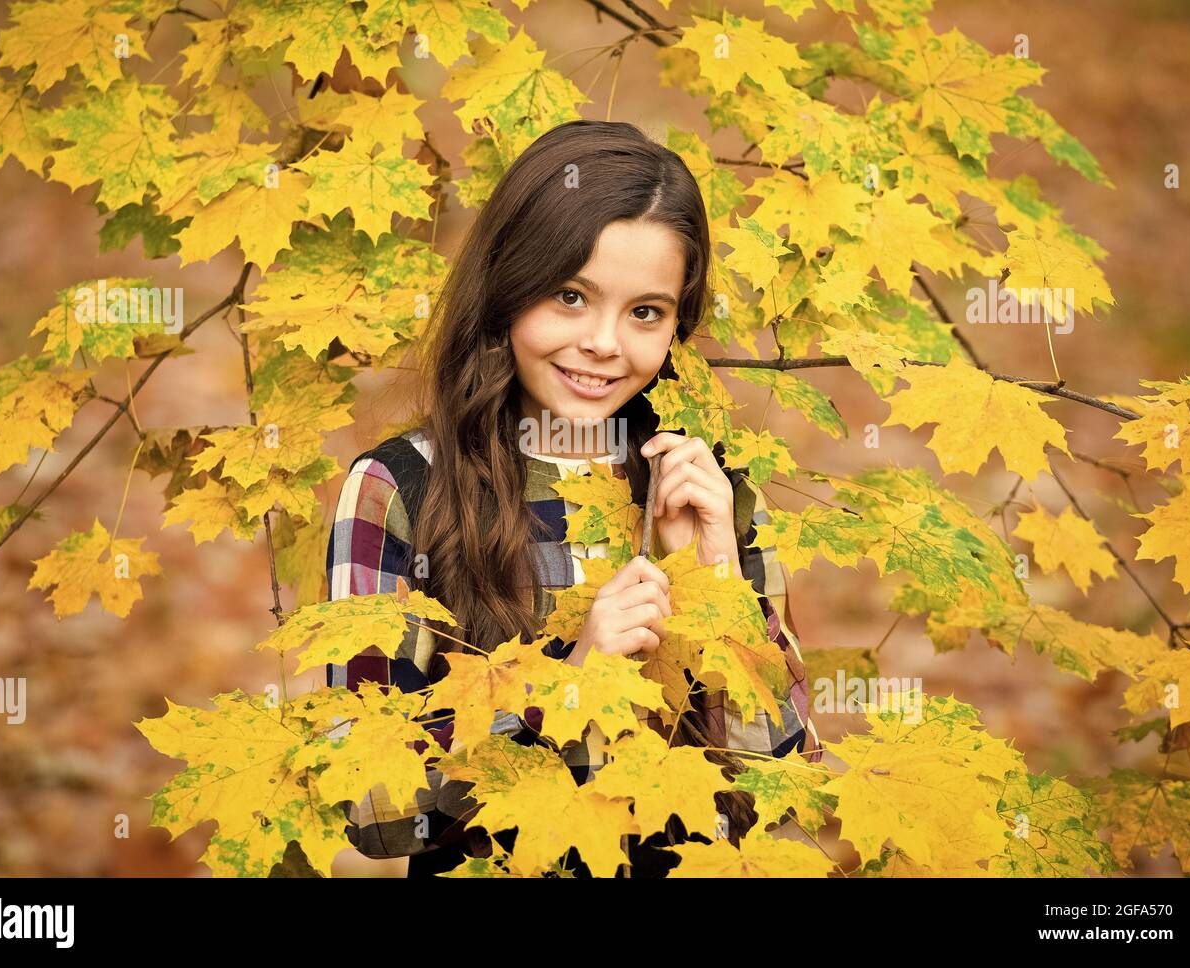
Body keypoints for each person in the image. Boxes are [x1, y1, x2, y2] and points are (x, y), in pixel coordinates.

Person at [324, 119, 823, 878]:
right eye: (570, 296)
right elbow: (373, 809)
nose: (604, 343)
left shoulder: (705, 486)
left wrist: (716, 587)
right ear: (506, 287)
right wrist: (568, 687)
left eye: (645, 312)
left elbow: (782, 788)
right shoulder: (402, 489)